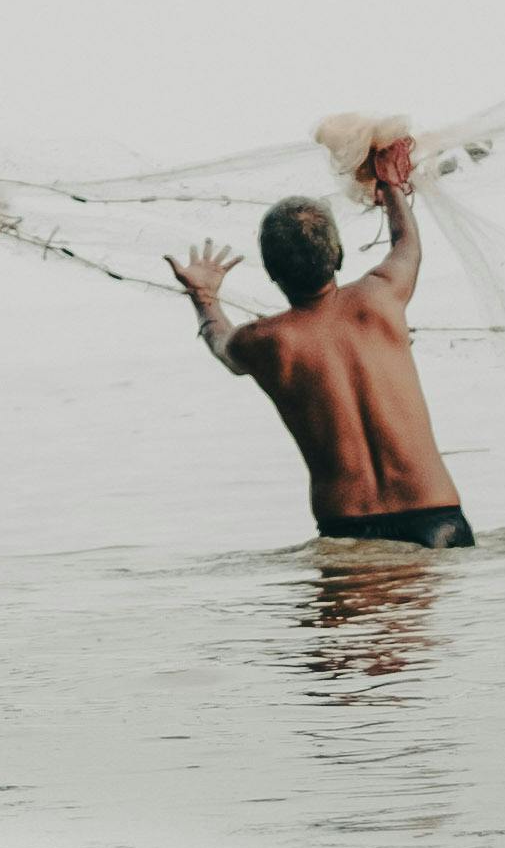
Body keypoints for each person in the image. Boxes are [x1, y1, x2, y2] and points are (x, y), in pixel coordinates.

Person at [170, 139, 475, 547]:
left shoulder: (264, 341)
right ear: (338, 256)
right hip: (436, 517)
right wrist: (389, 187)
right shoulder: (381, 297)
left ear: (273, 273)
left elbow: (221, 343)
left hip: (349, 529)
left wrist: (204, 297)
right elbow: (407, 246)